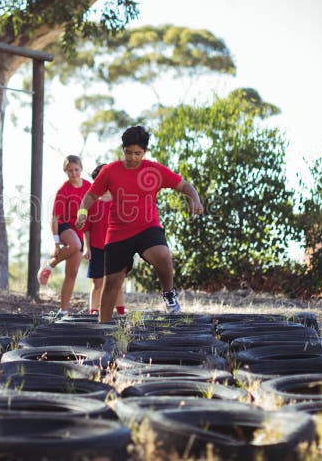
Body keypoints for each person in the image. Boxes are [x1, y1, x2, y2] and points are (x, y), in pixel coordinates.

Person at [76, 126, 203, 322]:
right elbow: (90, 196)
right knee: (111, 283)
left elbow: (183, 185)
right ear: (123, 149)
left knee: (163, 255)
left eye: (137, 153)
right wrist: (83, 212)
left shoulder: (154, 170)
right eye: (128, 152)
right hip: (118, 233)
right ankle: (103, 327)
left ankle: (169, 294)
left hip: (147, 227)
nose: (133, 157)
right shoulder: (110, 171)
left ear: (144, 152)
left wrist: (195, 198)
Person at [38, 155, 91, 316]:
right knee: (75, 245)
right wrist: (56, 243)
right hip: (64, 227)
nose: (74, 173)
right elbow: (54, 218)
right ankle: (49, 266)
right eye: (70, 171)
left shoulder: (89, 187)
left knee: (72, 273)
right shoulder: (63, 190)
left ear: (81, 169)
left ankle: (63, 310)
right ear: (65, 171)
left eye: (76, 170)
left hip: (80, 230)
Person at [83, 164, 126, 316]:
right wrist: (87, 247)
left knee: (117, 283)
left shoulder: (120, 201)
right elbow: (86, 228)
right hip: (96, 248)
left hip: (116, 248)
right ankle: (93, 312)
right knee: (97, 283)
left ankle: (121, 312)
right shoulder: (92, 203)